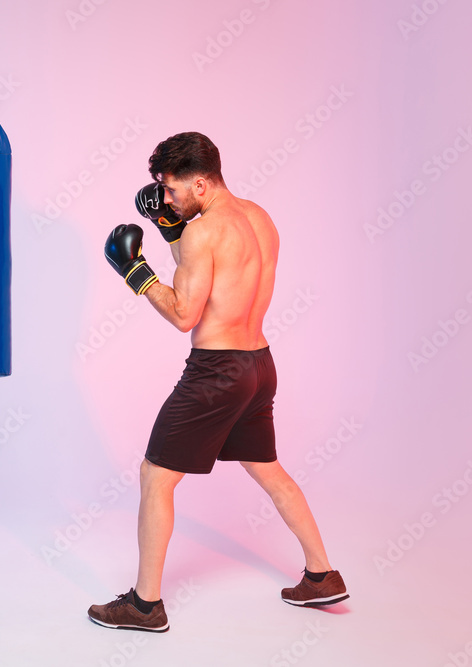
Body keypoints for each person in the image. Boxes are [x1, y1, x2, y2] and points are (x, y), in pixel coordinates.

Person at [91, 132, 348, 633]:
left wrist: (135, 271)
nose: (165, 200)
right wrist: (170, 230)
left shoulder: (202, 233)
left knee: (155, 476)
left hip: (215, 374)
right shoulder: (259, 219)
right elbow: (217, 279)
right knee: (268, 468)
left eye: (171, 190)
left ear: (202, 183)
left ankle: (144, 607)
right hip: (257, 365)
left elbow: (186, 312)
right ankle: (322, 574)